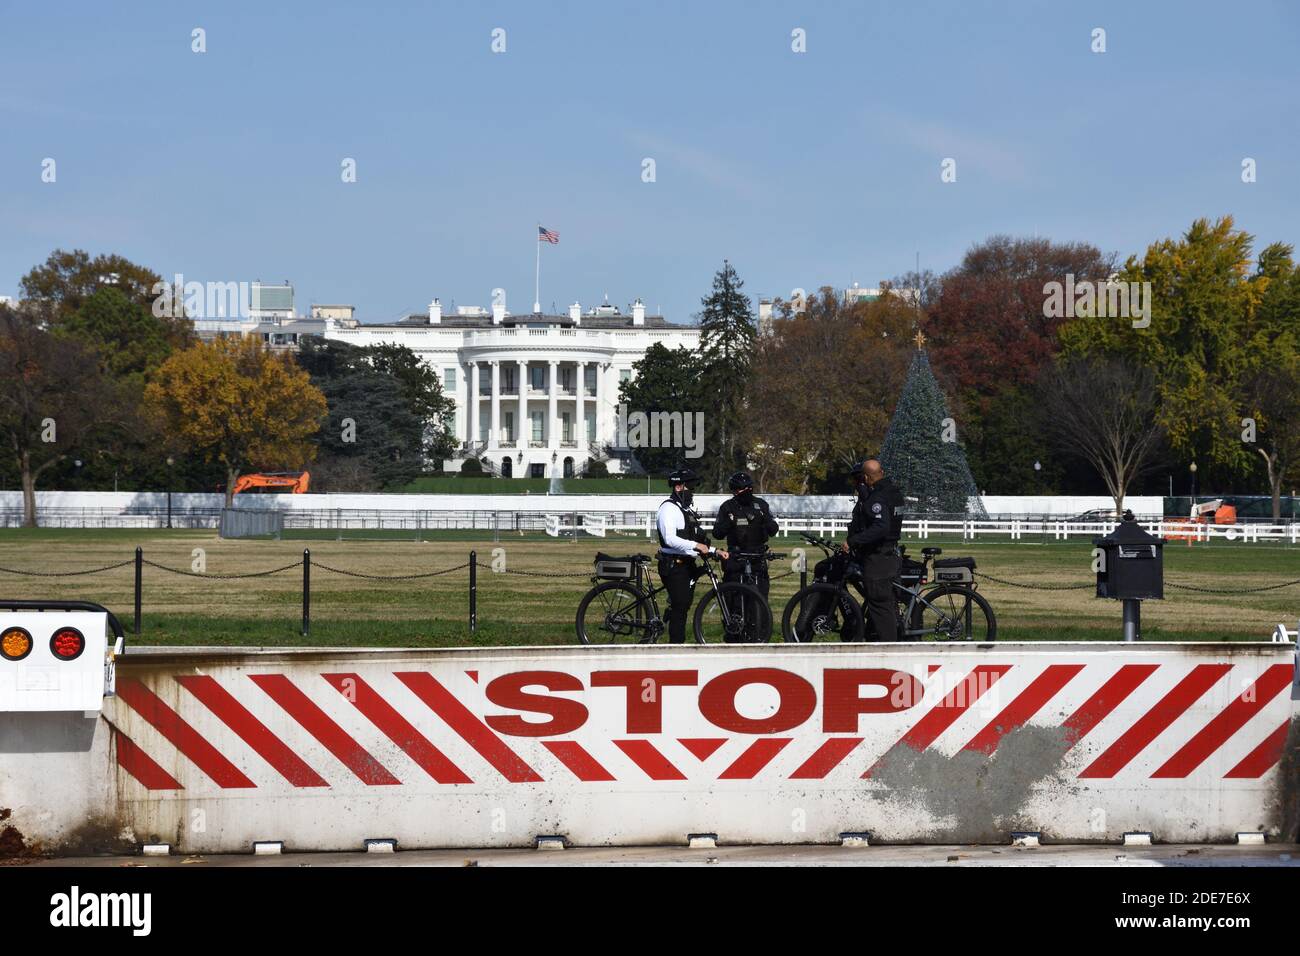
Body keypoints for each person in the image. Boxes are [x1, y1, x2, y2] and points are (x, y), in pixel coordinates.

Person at [656, 467, 727, 643]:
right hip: (673, 565)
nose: (693, 492)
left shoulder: (685, 510)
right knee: (680, 606)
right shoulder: (668, 509)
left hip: (687, 564)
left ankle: (674, 635)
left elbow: (695, 540)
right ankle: (675, 646)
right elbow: (670, 539)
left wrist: (714, 551)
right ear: (679, 487)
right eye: (690, 487)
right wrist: (697, 545)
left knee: (683, 604)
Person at [842, 458, 905, 641]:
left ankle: (888, 649)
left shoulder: (877, 497)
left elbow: (881, 527)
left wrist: (854, 540)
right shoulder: (894, 492)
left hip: (879, 558)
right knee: (887, 603)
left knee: (879, 604)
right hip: (892, 554)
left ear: (868, 477)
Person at [711, 471, 780, 602]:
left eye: (747, 488)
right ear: (734, 491)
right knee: (734, 599)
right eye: (739, 490)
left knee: (760, 598)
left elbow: (773, 530)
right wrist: (729, 522)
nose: (744, 492)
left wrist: (767, 521)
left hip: (757, 558)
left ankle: (759, 621)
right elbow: (717, 533)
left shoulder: (761, 505)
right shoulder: (727, 506)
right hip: (736, 558)